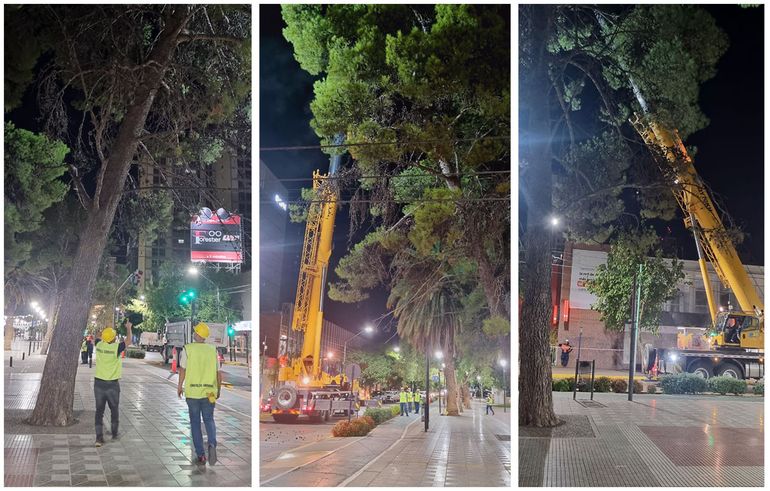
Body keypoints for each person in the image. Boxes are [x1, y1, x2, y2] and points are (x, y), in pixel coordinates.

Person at [177, 322, 222, 466]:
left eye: (195, 332)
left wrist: (179, 386)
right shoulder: (213, 350)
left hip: (193, 393)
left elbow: (183, 369)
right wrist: (218, 389)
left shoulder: (188, 349)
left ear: (197, 335)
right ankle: (212, 444)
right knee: (209, 420)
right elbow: (218, 373)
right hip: (210, 392)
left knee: (195, 423)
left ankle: (201, 455)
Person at [93, 321, 132, 447]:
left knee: (99, 411)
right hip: (112, 385)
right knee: (114, 409)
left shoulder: (99, 345)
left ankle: (99, 438)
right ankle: (114, 432)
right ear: (114, 338)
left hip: (98, 383)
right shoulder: (116, 348)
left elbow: (97, 336)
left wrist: (104, 330)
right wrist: (129, 328)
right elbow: (128, 341)